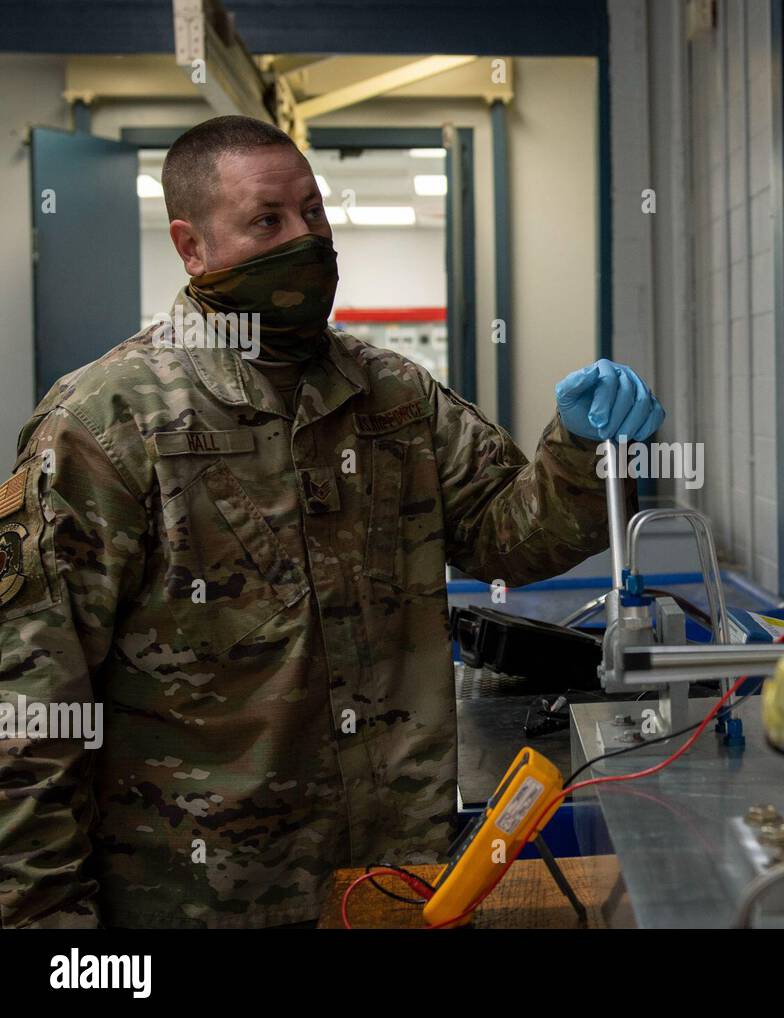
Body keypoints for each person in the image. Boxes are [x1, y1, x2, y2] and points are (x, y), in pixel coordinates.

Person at [0, 115, 663, 929]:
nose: (304, 240)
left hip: (392, 878)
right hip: (197, 898)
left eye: (313, 213)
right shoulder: (106, 424)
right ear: (192, 245)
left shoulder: (392, 397)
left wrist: (584, 451)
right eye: (267, 221)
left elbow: (510, 537)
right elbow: (31, 704)